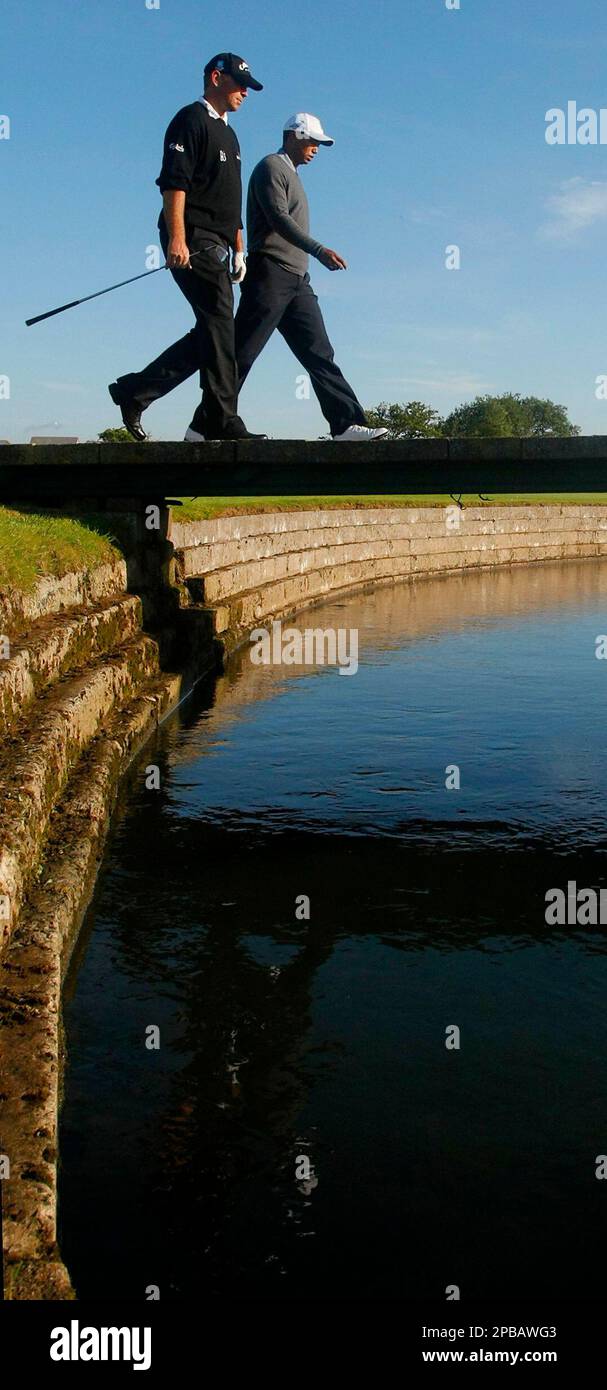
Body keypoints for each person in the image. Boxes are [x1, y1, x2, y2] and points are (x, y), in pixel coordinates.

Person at [108, 52, 266, 442]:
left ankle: (135, 391)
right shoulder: (190, 120)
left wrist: (240, 247)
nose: (245, 92)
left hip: (221, 243)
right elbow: (173, 183)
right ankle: (222, 419)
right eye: (240, 83)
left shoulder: (230, 133)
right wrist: (177, 237)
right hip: (192, 237)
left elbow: (230, 199)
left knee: (214, 330)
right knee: (219, 324)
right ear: (216, 77)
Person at [234, 113, 388, 442]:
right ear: (294, 136)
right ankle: (206, 424)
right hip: (270, 272)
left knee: (319, 351)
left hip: (296, 279)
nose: (316, 148)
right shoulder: (271, 168)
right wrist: (318, 250)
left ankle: (345, 424)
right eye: (313, 141)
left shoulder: (293, 174)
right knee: (243, 351)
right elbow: (277, 218)